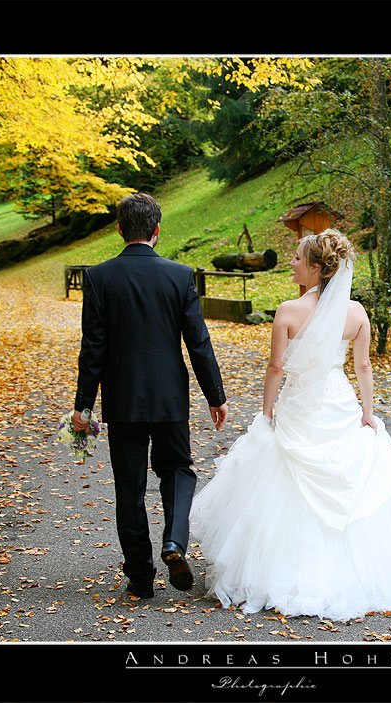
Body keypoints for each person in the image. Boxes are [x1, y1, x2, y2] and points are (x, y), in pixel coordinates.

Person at [189, 229, 391, 621]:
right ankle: (346, 579)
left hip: (299, 404)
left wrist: (266, 413)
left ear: (317, 268)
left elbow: (275, 368)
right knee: (345, 485)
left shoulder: (288, 311)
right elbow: (363, 366)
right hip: (337, 401)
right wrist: (367, 412)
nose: (291, 263)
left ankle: (281, 575)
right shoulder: (356, 314)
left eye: (298, 258)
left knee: (283, 484)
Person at [72, 192, 229, 600]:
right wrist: (215, 395)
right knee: (177, 470)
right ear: (157, 230)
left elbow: (93, 348)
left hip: (122, 400)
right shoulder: (180, 276)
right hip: (169, 398)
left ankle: (141, 577)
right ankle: (174, 543)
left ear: (120, 230)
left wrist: (83, 407)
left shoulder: (99, 278)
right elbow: (199, 342)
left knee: (130, 487)